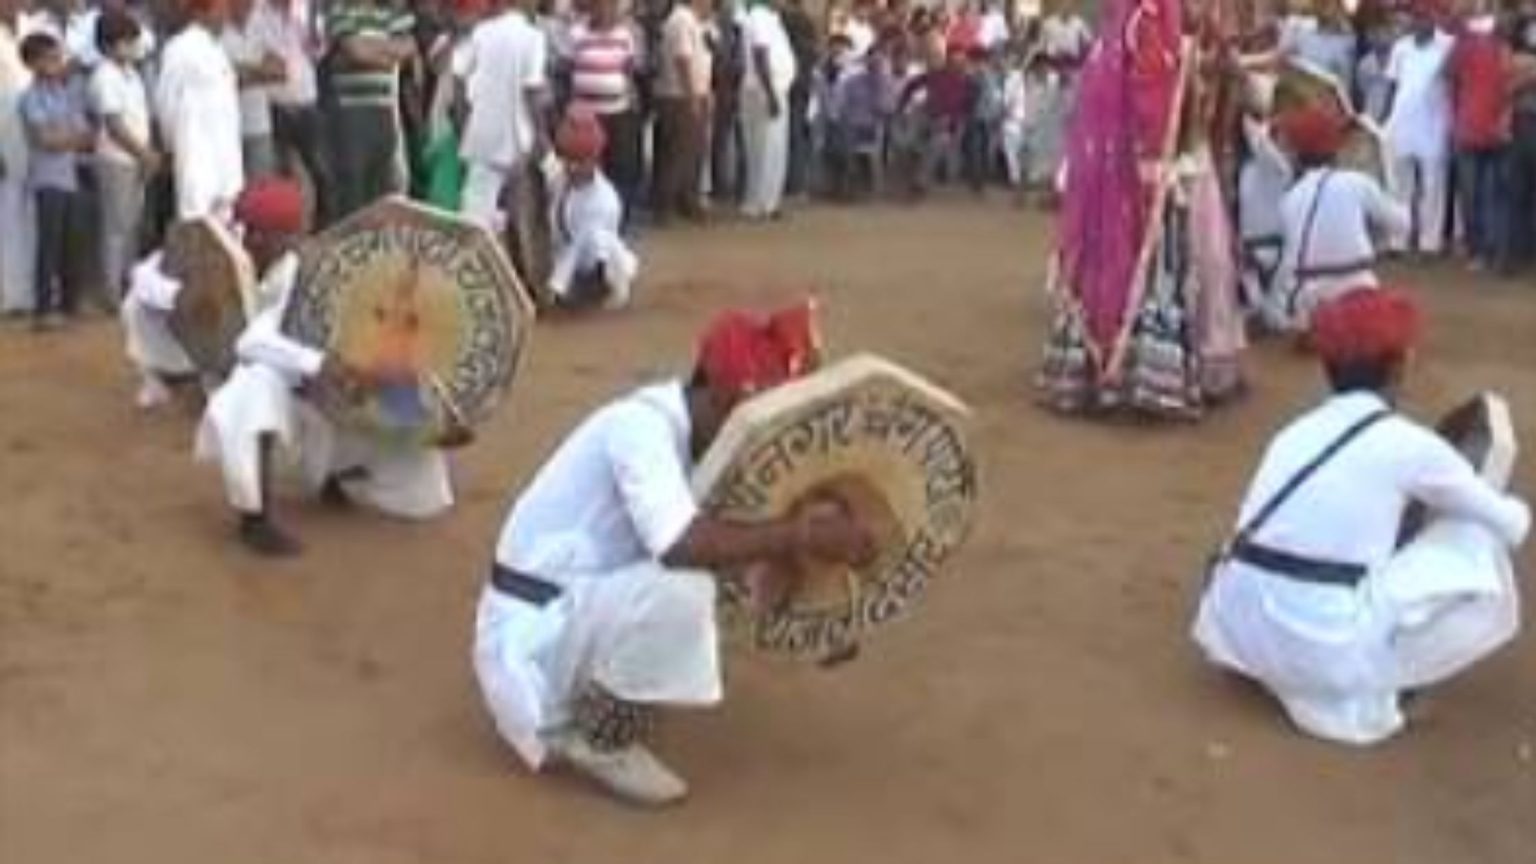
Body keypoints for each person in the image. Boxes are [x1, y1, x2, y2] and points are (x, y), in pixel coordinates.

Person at [472, 302, 874, 806]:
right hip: (534, 643)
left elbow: (754, 561)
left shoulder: (711, 451)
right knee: (688, 585)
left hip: (577, 609)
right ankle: (599, 739)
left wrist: (820, 616)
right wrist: (801, 536)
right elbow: (683, 546)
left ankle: (609, 684)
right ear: (721, 397)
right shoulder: (640, 428)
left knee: (738, 552)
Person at [1193, 287, 1529, 746]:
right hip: (1322, 649)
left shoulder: (1294, 432)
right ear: (1399, 365)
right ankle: (1396, 677)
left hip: (1236, 626)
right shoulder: (1409, 444)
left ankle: (1277, 663)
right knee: (1477, 539)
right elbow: (1511, 525)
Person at [194, 178, 464, 556]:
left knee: (421, 494)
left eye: (261, 234)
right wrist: (319, 364)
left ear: (287, 238)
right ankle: (254, 517)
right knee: (254, 382)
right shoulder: (236, 266)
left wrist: (433, 418)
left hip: (341, 412)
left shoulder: (305, 275)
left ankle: (340, 477)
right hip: (294, 415)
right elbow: (248, 342)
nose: (250, 241)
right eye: (248, 232)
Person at [1273, 104, 1408, 331]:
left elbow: (1287, 265)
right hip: (1359, 289)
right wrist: (1391, 179)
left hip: (1309, 298)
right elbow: (1402, 224)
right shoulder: (1356, 182)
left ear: (1295, 154)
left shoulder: (1289, 199)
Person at [19, 31, 92, 330]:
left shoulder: (64, 93)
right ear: (33, 63)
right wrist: (68, 137)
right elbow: (44, 140)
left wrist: (64, 137)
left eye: (58, 57)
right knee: (48, 246)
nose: (57, 63)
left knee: (71, 243)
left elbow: (85, 135)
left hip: (69, 176)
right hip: (46, 179)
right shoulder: (30, 97)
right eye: (50, 58)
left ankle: (69, 304)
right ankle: (43, 309)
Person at [454, 0, 547, 233]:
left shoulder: (480, 33)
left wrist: (463, 121)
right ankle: (519, 255)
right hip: (519, 139)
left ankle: (482, 252)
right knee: (520, 213)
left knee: (476, 217)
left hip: (483, 136)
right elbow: (532, 90)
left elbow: (458, 75)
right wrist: (541, 134)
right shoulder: (533, 37)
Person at [91, 10, 160, 305]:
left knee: (132, 226)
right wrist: (144, 154)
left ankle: (128, 284)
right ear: (108, 45)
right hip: (116, 159)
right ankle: (111, 291)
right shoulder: (104, 76)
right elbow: (114, 125)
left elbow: (140, 119)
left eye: (133, 41)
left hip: (136, 159)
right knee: (116, 228)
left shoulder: (132, 75)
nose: (132, 47)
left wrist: (146, 154)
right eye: (126, 41)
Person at [156, 0, 245, 222]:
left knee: (228, 226)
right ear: (200, 12)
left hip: (226, 158)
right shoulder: (179, 48)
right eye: (220, 10)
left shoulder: (218, 50)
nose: (225, 16)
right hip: (196, 156)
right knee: (198, 224)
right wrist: (173, 145)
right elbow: (165, 103)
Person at [327, 0, 417, 218]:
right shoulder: (340, 10)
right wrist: (388, 55)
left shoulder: (391, 13)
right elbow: (356, 51)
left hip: (384, 111)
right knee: (353, 188)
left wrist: (371, 49)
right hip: (350, 113)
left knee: (383, 187)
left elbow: (409, 48)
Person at [250, 0, 334, 227]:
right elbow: (262, 56)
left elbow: (319, 51)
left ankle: (323, 227)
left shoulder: (306, 9)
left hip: (307, 102)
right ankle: (287, 228)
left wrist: (315, 37)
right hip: (275, 105)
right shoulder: (257, 11)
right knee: (285, 173)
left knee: (321, 172)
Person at [545, 108, 638, 309]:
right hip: (558, 253)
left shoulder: (604, 202)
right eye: (568, 160)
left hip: (590, 260)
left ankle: (606, 287)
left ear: (595, 161)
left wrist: (556, 287)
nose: (572, 168)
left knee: (596, 242)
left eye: (579, 162)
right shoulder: (557, 174)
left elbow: (577, 248)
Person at [1382, 3, 1453, 255]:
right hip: (1400, 122)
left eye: (1426, 16)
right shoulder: (1401, 47)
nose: (1421, 21)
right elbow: (1392, 85)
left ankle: (1429, 242)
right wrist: (1384, 120)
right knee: (1399, 186)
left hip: (1434, 124)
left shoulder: (1448, 45)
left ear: (1436, 18)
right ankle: (1397, 240)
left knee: (1433, 186)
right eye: (1417, 16)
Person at [1448, 6, 1514, 272]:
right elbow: (1509, 91)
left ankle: (1481, 251)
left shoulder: (1465, 48)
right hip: (1483, 131)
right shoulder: (1500, 50)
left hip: (1475, 130)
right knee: (1486, 196)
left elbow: (1448, 76)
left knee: (1475, 196)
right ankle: (1484, 250)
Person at [563, 0, 642, 221]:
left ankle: (617, 221)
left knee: (620, 170)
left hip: (618, 113)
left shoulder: (625, 36)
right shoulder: (576, 34)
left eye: (610, 5)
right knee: (586, 171)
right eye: (600, 5)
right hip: (585, 118)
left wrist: (630, 100)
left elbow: (629, 70)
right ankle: (584, 219)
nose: (605, 10)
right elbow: (567, 70)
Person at [652, 0, 712, 222]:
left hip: (692, 93)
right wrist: (692, 96)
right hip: (680, 96)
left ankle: (687, 199)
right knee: (678, 153)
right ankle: (665, 206)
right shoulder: (681, 20)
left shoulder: (692, 20)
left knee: (693, 152)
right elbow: (682, 59)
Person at [119, 250, 200, 410]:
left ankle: (214, 384)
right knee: (131, 305)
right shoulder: (154, 264)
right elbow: (145, 282)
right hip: (172, 340)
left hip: (208, 350)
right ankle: (154, 383)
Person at [738, 0, 796, 220]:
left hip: (774, 88)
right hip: (764, 89)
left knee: (773, 148)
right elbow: (760, 53)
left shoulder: (772, 19)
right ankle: (759, 203)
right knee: (764, 149)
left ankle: (768, 201)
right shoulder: (759, 17)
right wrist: (770, 93)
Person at [223, 0, 286, 181]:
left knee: (261, 188)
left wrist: (242, 70)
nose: (248, 4)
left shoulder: (259, 23)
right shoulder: (217, 28)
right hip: (226, 127)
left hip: (259, 125)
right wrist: (261, 70)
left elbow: (281, 71)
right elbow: (224, 78)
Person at [1, 0, 36, 316]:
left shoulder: (33, 28)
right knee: (8, 214)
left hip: (38, 133)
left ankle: (33, 290)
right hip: (5, 135)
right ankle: (11, 295)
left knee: (34, 213)